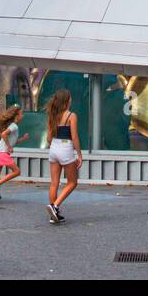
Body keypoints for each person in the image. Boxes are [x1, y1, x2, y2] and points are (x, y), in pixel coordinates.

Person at [44, 89, 81, 223]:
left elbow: (48, 137)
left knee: (54, 182)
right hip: (65, 147)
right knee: (72, 182)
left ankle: (54, 215)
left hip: (53, 147)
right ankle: (55, 206)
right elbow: (74, 136)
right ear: (67, 101)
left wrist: (54, 144)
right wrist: (79, 154)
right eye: (70, 98)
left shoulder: (52, 115)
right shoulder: (71, 116)